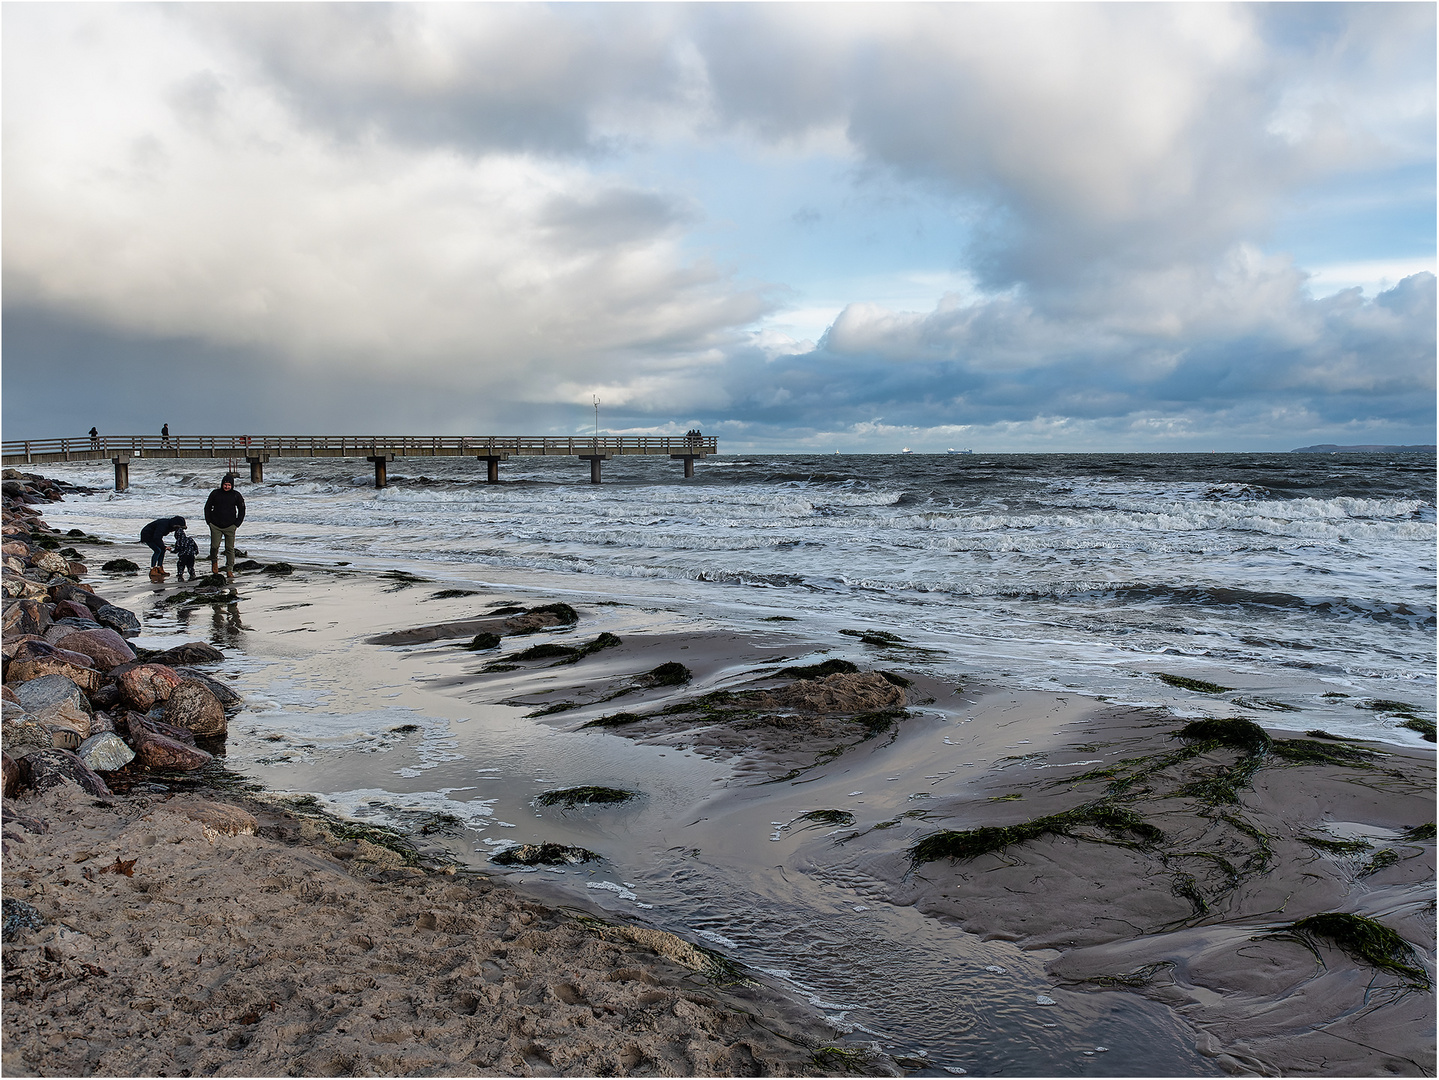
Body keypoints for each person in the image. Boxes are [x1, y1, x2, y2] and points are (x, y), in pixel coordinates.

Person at [204, 472, 246, 580]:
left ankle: (229, 569)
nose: (226, 487)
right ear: (222, 484)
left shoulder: (236, 495)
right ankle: (214, 563)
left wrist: (237, 523)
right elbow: (207, 507)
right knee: (214, 547)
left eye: (229, 485)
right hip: (215, 525)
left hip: (230, 526)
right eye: (225, 484)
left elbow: (242, 510)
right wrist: (209, 521)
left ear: (232, 485)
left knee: (229, 548)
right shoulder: (215, 493)